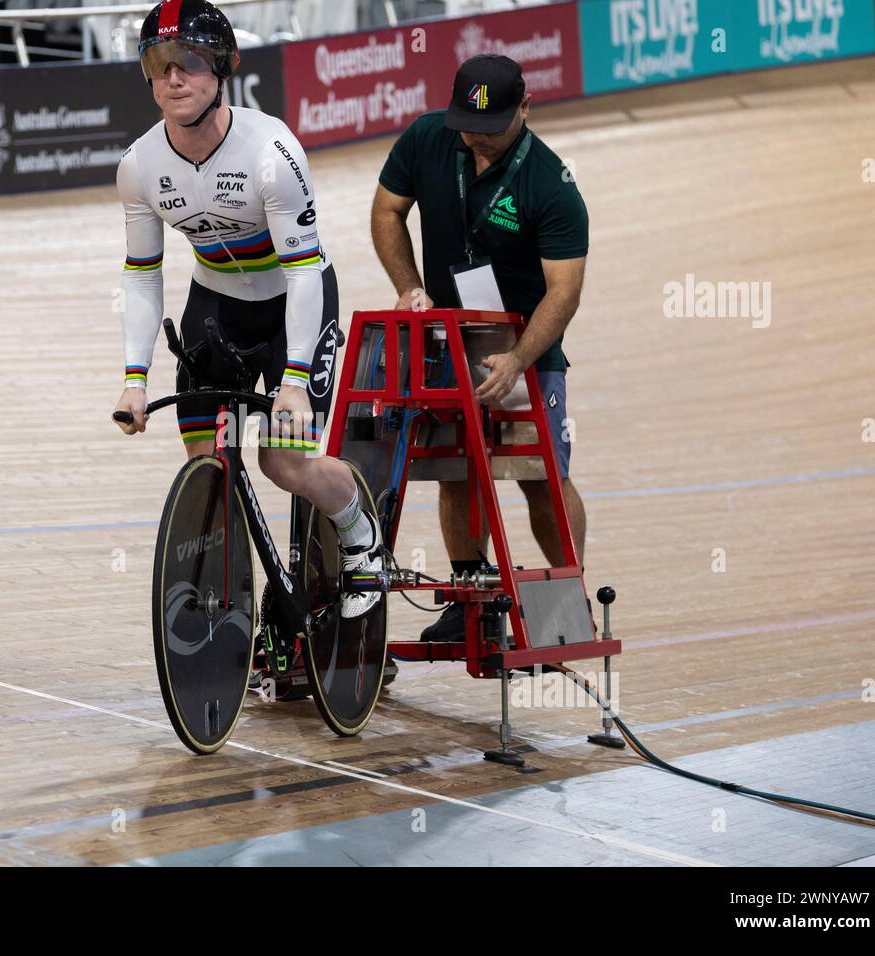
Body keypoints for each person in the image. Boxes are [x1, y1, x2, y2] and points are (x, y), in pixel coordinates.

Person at [111, 0, 381, 617]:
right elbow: (142, 277)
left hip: (294, 304)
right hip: (217, 309)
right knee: (208, 465)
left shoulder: (271, 153)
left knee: (282, 459)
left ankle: (360, 534)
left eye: (190, 62)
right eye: (159, 63)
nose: (173, 77)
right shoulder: (139, 166)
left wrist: (291, 378)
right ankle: (236, 608)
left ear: (222, 68)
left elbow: (305, 269)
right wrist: (133, 379)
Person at [370, 54, 590, 641]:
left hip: (525, 345)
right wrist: (408, 287)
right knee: (455, 471)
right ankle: (470, 599)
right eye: (468, 123)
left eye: (492, 128)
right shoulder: (426, 138)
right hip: (447, 339)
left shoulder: (550, 184)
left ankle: (564, 603)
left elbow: (564, 294)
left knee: (539, 476)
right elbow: (388, 209)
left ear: (525, 107)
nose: (477, 137)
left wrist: (519, 358)